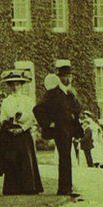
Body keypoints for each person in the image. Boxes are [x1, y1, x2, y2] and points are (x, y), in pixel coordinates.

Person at [34, 60, 84, 198]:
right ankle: (64, 188)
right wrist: (49, 123)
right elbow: (38, 109)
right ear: (60, 78)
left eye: (70, 76)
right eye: (65, 76)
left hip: (70, 130)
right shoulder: (53, 93)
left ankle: (67, 187)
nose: (68, 78)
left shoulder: (70, 93)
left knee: (67, 158)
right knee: (64, 158)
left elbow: (77, 109)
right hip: (60, 131)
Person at [0, 69, 43, 195]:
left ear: (21, 85)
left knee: (25, 160)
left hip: (23, 134)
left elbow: (33, 118)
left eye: (17, 84)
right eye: (12, 84)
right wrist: (8, 127)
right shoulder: (6, 101)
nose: (15, 87)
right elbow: (2, 118)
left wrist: (22, 128)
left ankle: (28, 187)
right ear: (9, 86)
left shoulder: (27, 100)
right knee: (11, 160)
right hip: (10, 135)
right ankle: (12, 188)